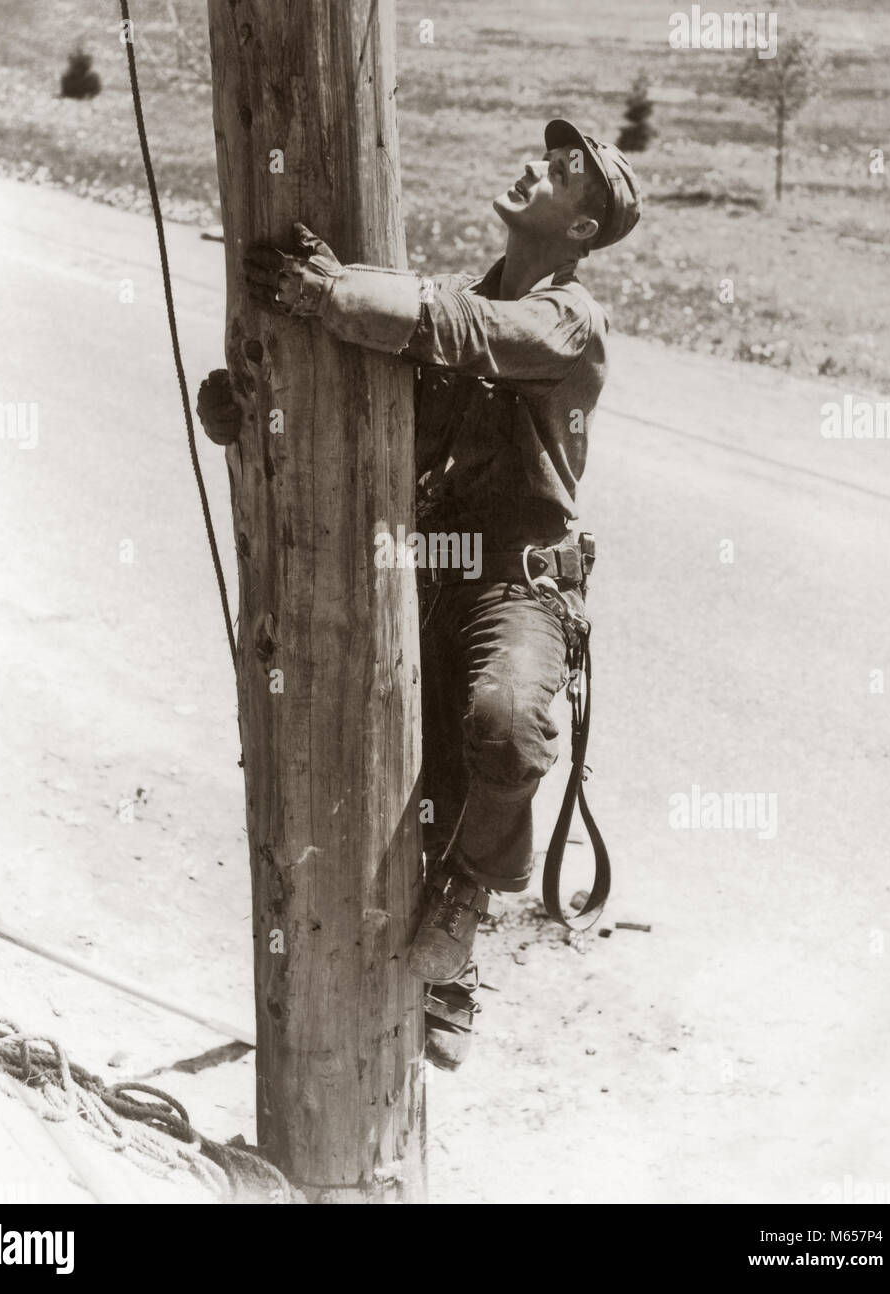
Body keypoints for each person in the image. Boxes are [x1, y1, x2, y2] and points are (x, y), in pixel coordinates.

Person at [196, 119, 641, 1070]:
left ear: (583, 229)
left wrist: (332, 289)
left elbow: (462, 330)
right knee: (393, 793)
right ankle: (390, 990)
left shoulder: (567, 319)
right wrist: (250, 408)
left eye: (559, 173)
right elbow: (359, 414)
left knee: (508, 725)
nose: (531, 167)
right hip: (425, 569)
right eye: (542, 155)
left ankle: (470, 905)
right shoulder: (445, 297)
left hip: (516, 580)